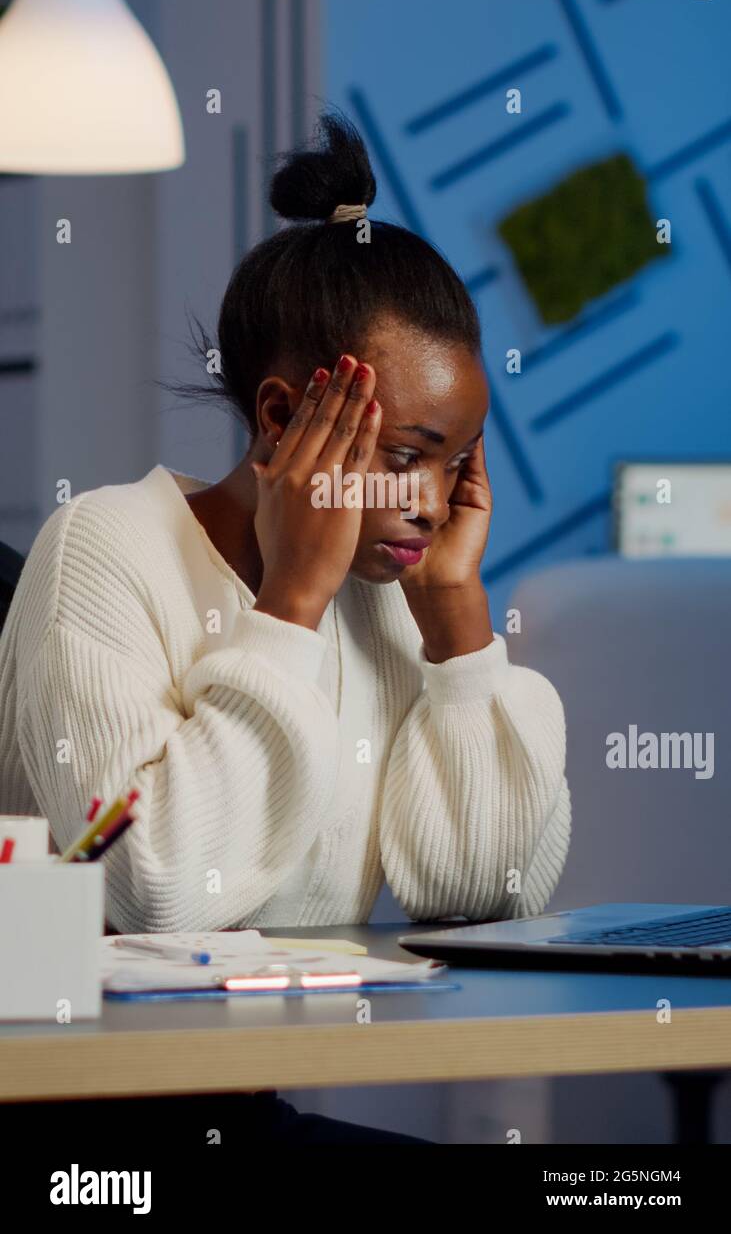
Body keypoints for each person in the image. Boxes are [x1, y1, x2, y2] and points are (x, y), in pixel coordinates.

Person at [0, 113, 570, 1143]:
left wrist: (453, 629)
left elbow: (486, 893)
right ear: (278, 421)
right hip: (68, 1126)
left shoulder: (394, 597)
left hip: (238, 1111)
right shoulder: (102, 549)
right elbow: (159, 885)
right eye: (403, 454)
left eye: (456, 460)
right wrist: (288, 607)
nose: (433, 503)